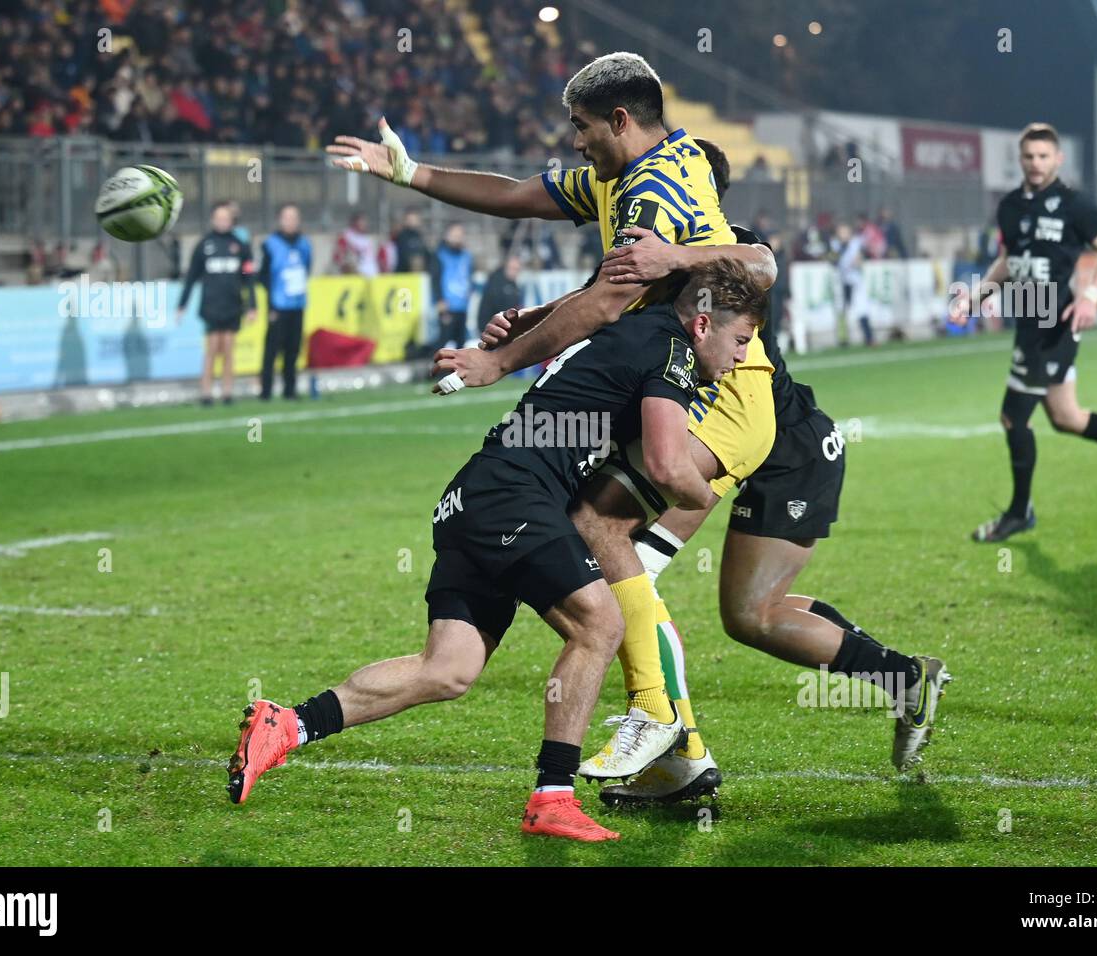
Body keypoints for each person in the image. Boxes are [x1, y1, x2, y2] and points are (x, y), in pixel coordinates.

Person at [330, 51, 778, 779]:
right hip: (685, 386)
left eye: (581, 127)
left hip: (718, 396)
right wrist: (410, 173)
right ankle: (676, 755)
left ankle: (660, 719)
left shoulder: (653, 193)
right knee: (598, 546)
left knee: (598, 534)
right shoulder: (636, 171)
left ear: (621, 121)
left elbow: (624, 297)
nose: (574, 142)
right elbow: (517, 196)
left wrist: (498, 364)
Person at [226, 262, 761, 843]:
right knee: (599, 624)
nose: (740, 359)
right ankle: (552, 796)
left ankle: (289, 724)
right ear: (702, 323)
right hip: (514, 498)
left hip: (472, 498)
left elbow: (585, 317)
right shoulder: (672, 352)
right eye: (740, 342)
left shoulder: (633, 325)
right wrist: (717, 488)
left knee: (447, 669)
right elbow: (665, 462)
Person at [580, 140, 944, 799]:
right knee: (653, 578)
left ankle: (679, 749)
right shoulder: (653, 249)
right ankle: (681, 753)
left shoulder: (724, 255)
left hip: (784, 446)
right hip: (726, 441)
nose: (645, 198)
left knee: (724, 605)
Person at [953, 123, 1097, 542]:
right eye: (1029, 156)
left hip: (1055, 325)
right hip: (1028, 321)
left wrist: (1092, 295)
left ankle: (1020, 512)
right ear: (1020, 160)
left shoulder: (1074, 205)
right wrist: (975, 295)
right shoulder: (1009, 207)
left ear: (1057, 159)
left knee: (1013, 415)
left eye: (1043, 156)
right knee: (1066, 417)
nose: (1036, 163)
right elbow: (1008, 260)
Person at [175, 201, 256, 405]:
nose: (222, 222)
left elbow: (248, 278)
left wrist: (252, 306)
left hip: (233, 305)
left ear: (231, 221)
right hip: (211, 305)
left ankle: (227, 392)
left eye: (226, 218)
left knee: (228, 349)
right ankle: (206, 393)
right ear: (213, 220)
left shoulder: (240, 247)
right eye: (218, 218)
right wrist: (181, 305)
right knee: (212, 349)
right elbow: (192, 277)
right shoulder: (204, 245)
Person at [257, 203, 312, 401]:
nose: (291, 222)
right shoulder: (270, 244)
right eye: (287, 218)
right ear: (280, 220)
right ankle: (266, 391)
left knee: (293, 348)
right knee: (272, 349)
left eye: (294, 218)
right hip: (278, 306)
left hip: (297, 305)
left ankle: (290, 389)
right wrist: (272, 302)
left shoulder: (305, 244)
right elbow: (262, 275)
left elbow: (306, 268)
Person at [431, 222, 473, 349]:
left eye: (460, 235)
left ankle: (459, 369)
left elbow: (468, 276)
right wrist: (439, 301)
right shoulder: (439, 255)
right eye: (454, 235)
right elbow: (435, 280)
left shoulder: (467, 256)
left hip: (463, 306)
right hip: (447, 306)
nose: (458, 238)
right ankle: (438, 368)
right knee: (443, 344)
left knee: (461, 344)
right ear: (447, 236)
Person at [476, 255, 523, 338]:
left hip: (501, 326)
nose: (515, 272)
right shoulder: (496, 282)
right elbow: (500, 306)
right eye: (513, 268)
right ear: (506, 267)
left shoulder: (512, 284)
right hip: (490, 326)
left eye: (517, 270)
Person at [391, 208, 428, 273]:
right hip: (403, 274)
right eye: (410, 219)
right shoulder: (401, 236)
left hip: (418, 274)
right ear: (405, 221)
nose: (413, 222)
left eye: (415, 219)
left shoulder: (420, 237)